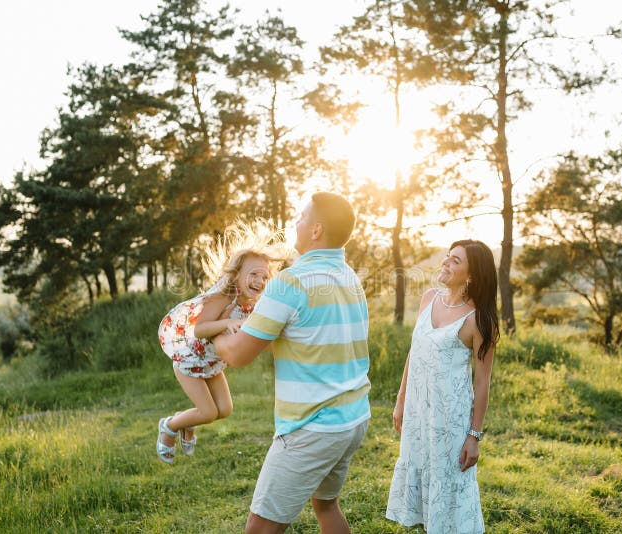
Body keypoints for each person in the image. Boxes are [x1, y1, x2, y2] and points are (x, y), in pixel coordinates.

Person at [212, 192, 370, 534]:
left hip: (312, 426)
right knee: (325, 505)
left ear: (316, 230)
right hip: (353, 418)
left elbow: (237, 355)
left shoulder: (291, 282)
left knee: (260, 527)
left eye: (300, 217)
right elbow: (308, 340)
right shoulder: (349, 278)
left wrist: (211, 331)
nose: (294, 224)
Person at [386, 239, 499, 534]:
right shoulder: (428, 299)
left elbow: (482, 381)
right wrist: (401, 401)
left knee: (448, 491)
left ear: (471, 276)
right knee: (423, 482)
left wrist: (474, 435)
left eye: (455, 261)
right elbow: (415, 352)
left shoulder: (478, 320)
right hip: (418, 414)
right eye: (447, 257)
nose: (445, 263)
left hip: (450, 421)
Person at [156, 222, 285, 464]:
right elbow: (199, 329)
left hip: (213, 362)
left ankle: (189, 424)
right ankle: (169, 427)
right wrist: (226, 325)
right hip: (190, 361)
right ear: (236, 275)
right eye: (253, 274)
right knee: (208, 412)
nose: (259, 280)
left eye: (264, 276)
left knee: (224, 410)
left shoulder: (253, 303)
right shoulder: (224, 296)